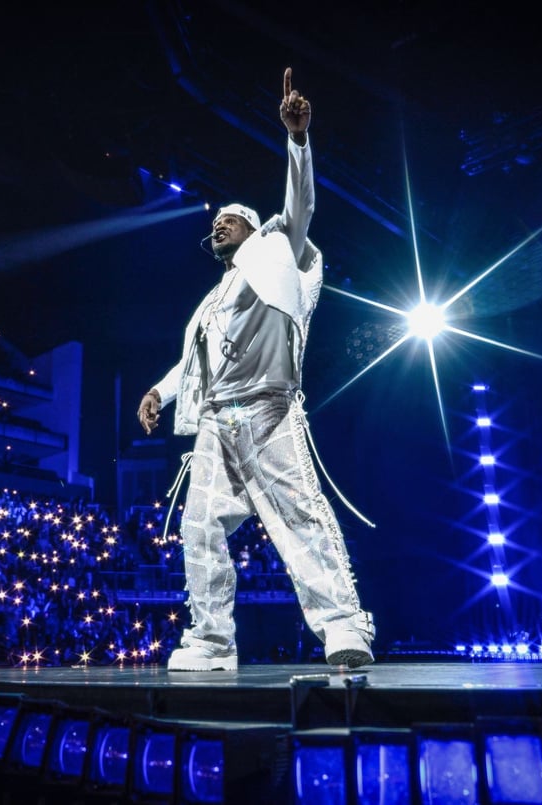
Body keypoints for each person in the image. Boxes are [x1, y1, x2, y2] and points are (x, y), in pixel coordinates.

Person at [136, 67, 375, 671]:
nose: (218, 223)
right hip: (217, 422)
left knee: (299, 516)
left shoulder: (276, 253)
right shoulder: (212, 300)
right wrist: (160, 393)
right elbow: (195, 362)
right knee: (199, 528)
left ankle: (345, 628)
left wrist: (297, 141)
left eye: (230, 218)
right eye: (214, 221)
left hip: (269, 408)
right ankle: (212, 643)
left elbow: (302, 206)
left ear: (250, 228)